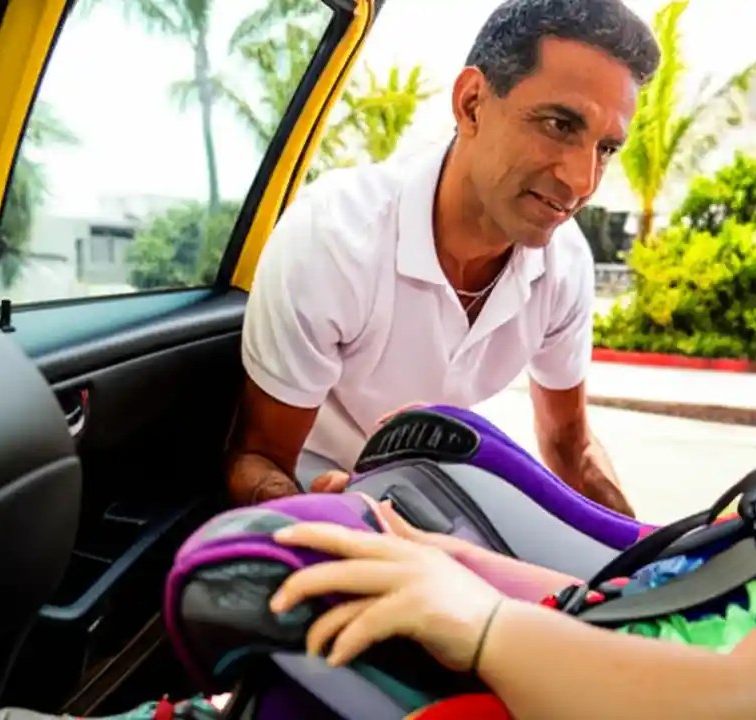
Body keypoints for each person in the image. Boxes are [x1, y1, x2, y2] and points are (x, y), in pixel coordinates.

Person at [0, 158, 756, 720]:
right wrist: (456, 564)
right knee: (370, 532)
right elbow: (655, 594)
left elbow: (733, 703)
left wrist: (478, 625)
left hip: (546, 685)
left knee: (260, 582)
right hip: (582, 640)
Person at [227, 0, 660, 516]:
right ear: (472, 103)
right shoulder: (336, 237)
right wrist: (322, 523)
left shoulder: (564, 265)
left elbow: (572, 447)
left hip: (435, 509)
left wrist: (646, 560)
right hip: (316, 506)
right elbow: (257, 459)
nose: (582, 181)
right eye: (559, 125)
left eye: (606, 148)